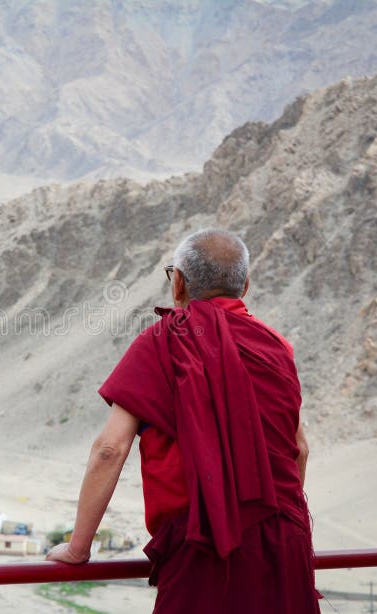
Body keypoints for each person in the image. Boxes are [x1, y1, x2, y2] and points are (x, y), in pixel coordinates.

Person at [46, 228, 320, 613]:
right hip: (283, 545)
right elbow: (300, 450)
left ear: (177, 283)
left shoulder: (161, 344)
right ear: (245, 285)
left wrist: (78, 548)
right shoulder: (276, 347)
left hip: (203, 547)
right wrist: (273, 525)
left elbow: (111, 449)